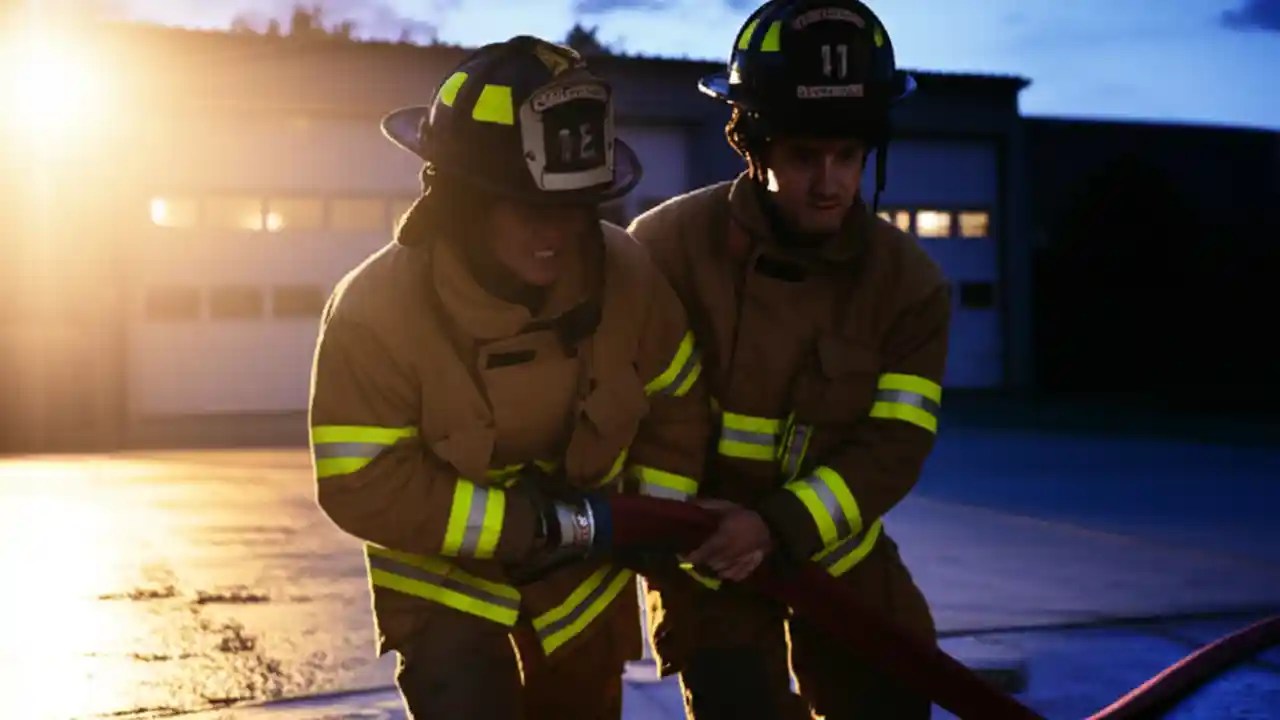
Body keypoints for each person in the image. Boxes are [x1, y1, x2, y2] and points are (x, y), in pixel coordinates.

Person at [308, 36, 708, 719]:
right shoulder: (375, 311)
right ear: (461, 203)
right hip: (444, 580)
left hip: (583, 581)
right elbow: (358, 480)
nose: (558, 233)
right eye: (530, 208)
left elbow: (677, 407)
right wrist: (531, 525)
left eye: (576, 208)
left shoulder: (629, 278)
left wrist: (650, 524)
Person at [628, 1, 949, 718]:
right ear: (755, 146)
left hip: (834, 548)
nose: (831, 182)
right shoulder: (664, 250)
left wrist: (776, 525)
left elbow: (894, 447)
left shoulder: (908, 284)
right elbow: (627, 412)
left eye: (849, 156)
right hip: (702, 554)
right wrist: (681, 529)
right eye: (805, 156)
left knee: (894, 692)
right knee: (739, 702)